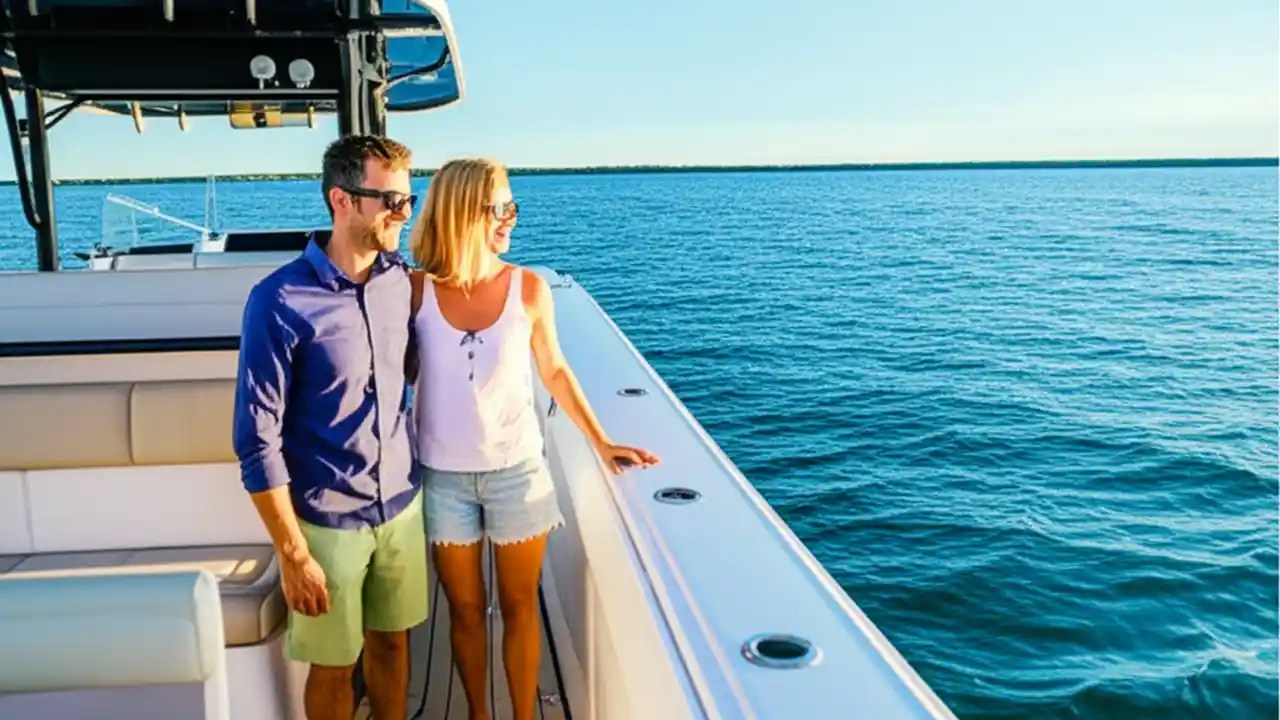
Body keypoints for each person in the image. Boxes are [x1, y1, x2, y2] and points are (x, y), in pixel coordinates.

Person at [406, 157, 660, 720]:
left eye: (513, 207)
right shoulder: (415, 290)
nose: (511, 219)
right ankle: (479, 713)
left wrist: (601, 440)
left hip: (517, 472)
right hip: (442, 478)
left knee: (520, 607)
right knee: (465, 612)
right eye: (501, 207)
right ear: (464, 210)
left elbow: (555, 370)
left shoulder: (528, 288)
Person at [232, 135, 427, 720]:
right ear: (342, 200)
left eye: (408, 200)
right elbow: (254, 438)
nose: (403, 213)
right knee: (335, 667)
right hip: (326, 519)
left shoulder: (400, 282)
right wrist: (293, 553)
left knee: (394, 643)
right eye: (390, 200)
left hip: (401, 505)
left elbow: (409, 368)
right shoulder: (278, 300)